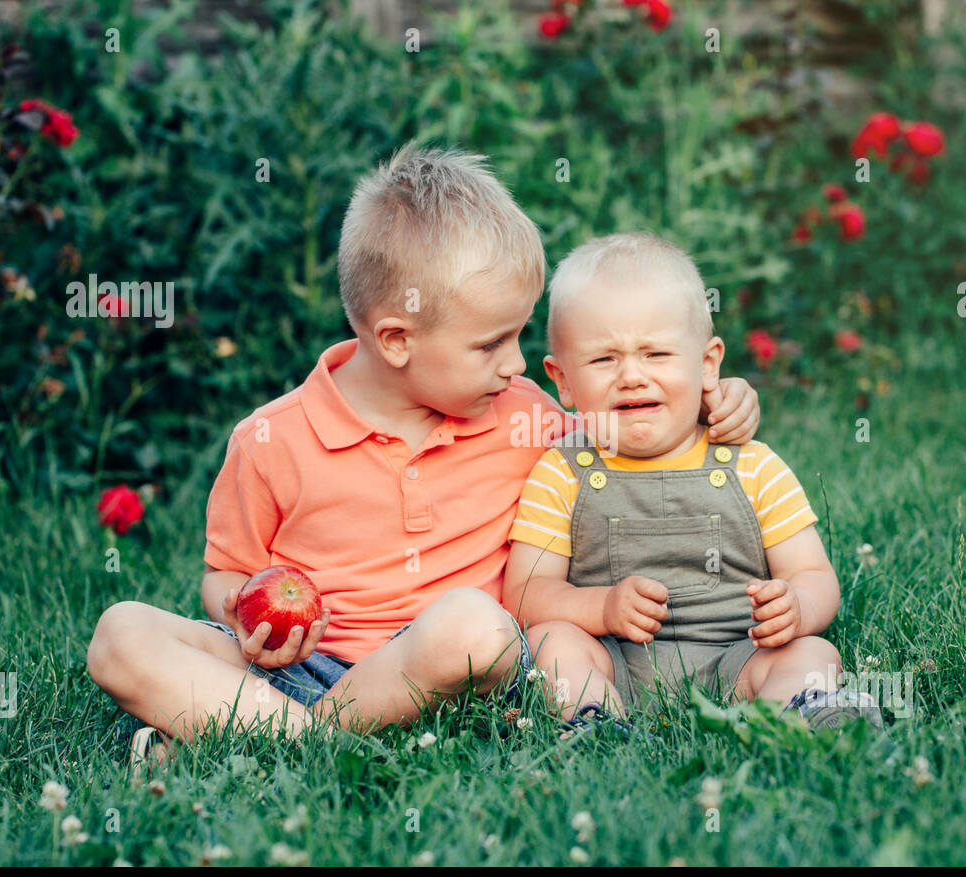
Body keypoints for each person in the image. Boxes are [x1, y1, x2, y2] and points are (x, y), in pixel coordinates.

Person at [85, 145, 762, 764]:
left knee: (472, 624)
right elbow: (227, 575)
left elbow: (631, 434)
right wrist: (251, 623)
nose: (516, 362)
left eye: (519, 337)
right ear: (397, 339)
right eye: (491, 344)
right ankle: (310, 734)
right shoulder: (271, 440)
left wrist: (714, 403)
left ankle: (261, 735)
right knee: (121, 635)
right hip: (305, 665)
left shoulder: (525, 415)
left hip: (456, 664)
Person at [503, 233, 883, 735]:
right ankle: (593, 719)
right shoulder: (562, 472)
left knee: (813, 650)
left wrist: (798, 606)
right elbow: (526, 596)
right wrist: (602, 606)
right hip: (614, 663)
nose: (632, 376)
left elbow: (814, 574)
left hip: (741, 656)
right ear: (563, 380)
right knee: (553, 642)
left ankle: (794, 713)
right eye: (603, 359)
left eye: (656, 354)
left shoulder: (752, 466)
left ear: (707, 364)